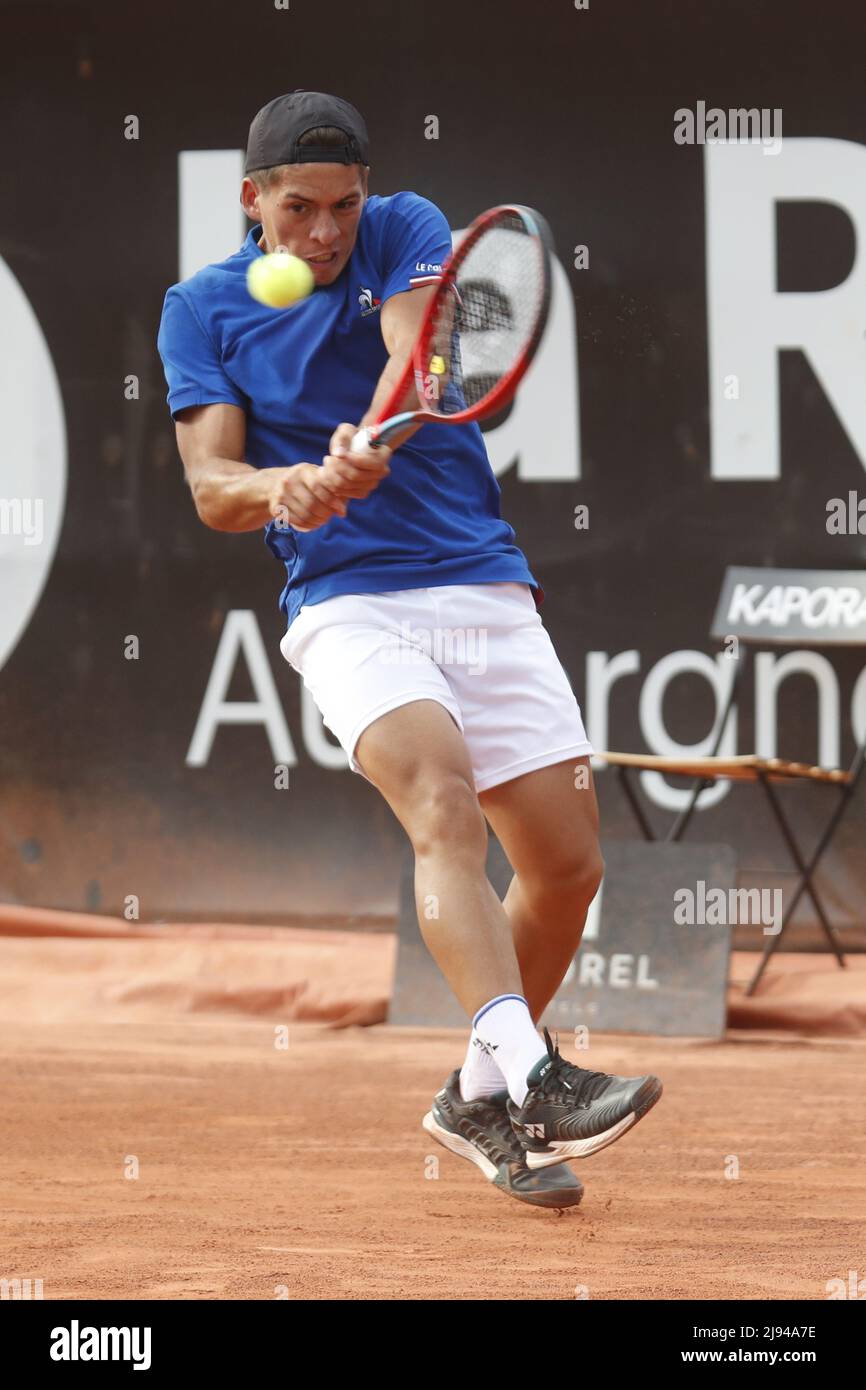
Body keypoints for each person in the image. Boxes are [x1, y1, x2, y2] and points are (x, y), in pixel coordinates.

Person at [157, 89, 662, 1211]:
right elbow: (209, 486)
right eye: (298, 209)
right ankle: (534, 1072)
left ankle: (472, 1096)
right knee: (441, 802)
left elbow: (413, 350)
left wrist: (365, 432)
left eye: (343, 205)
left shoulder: (407, 228)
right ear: (251, 201)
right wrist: (288, 484)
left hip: (477, 573)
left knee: (568, 865)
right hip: (345, 602)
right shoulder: (199, 310)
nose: (326, 233)